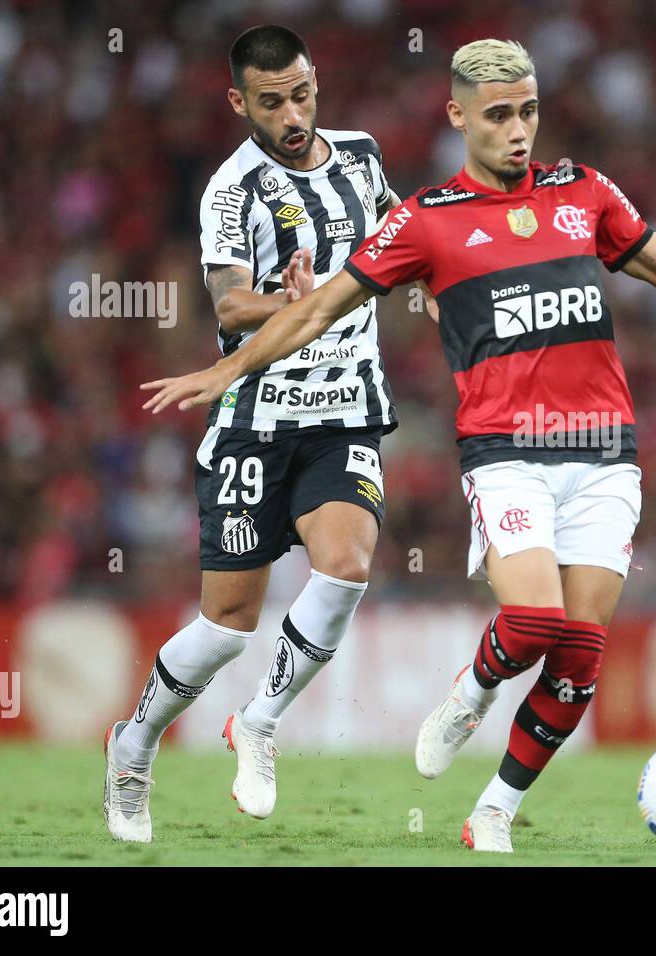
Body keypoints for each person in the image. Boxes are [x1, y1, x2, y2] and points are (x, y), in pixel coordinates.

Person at [140, 38, 656, 851]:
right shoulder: (425, 220)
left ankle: (493, 813)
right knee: (535, 622)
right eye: (498, 116)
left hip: (605, 454)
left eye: (527, 112)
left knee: (581, 655)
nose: (518, 131)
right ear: (457, 118)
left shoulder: (584, 191)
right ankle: (472, 692)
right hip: (507, 453)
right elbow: (318, 309)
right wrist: (226, 368)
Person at [103, 25, 402, 842]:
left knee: (346, 564)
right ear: (241, 103)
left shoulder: (364, 156)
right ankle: (133, 744)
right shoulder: (231, 190)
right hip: (254, 424)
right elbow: (230, 305)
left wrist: (446, 291)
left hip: (345, 412)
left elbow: (404, 235)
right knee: (227, 625)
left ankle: (260, 723)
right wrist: (297, 301)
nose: (292, 112)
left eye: (301, 93)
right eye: (271, 101)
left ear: (316, 82)